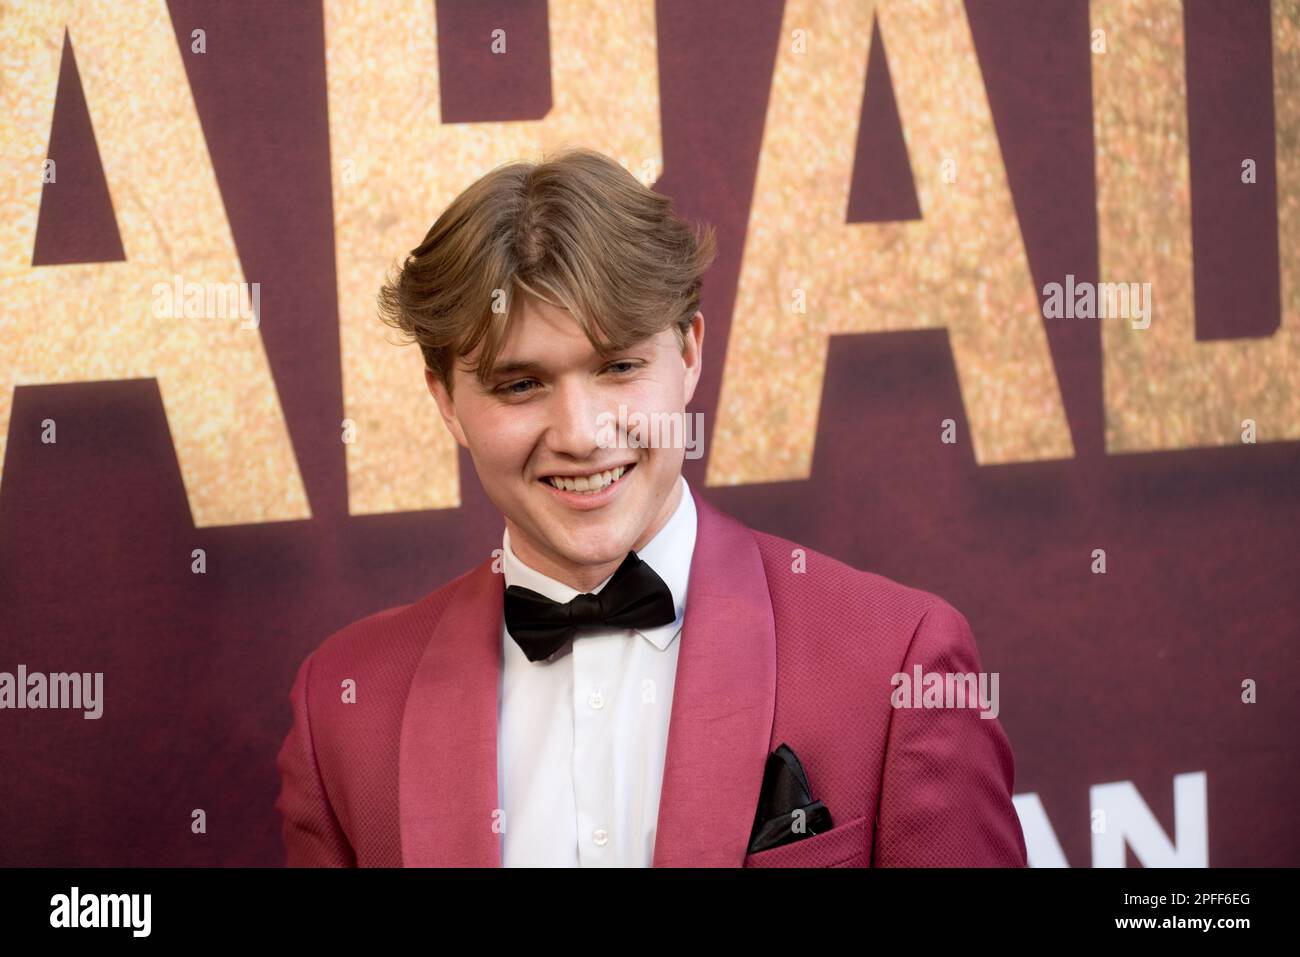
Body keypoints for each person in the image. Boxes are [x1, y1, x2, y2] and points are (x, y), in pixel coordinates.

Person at [274, 146, 1027, 867]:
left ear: (690, 353)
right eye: (520, 385)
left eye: (620, 366)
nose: (582, 434)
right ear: (445, 401)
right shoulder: (344, 708)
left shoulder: (897, 661)